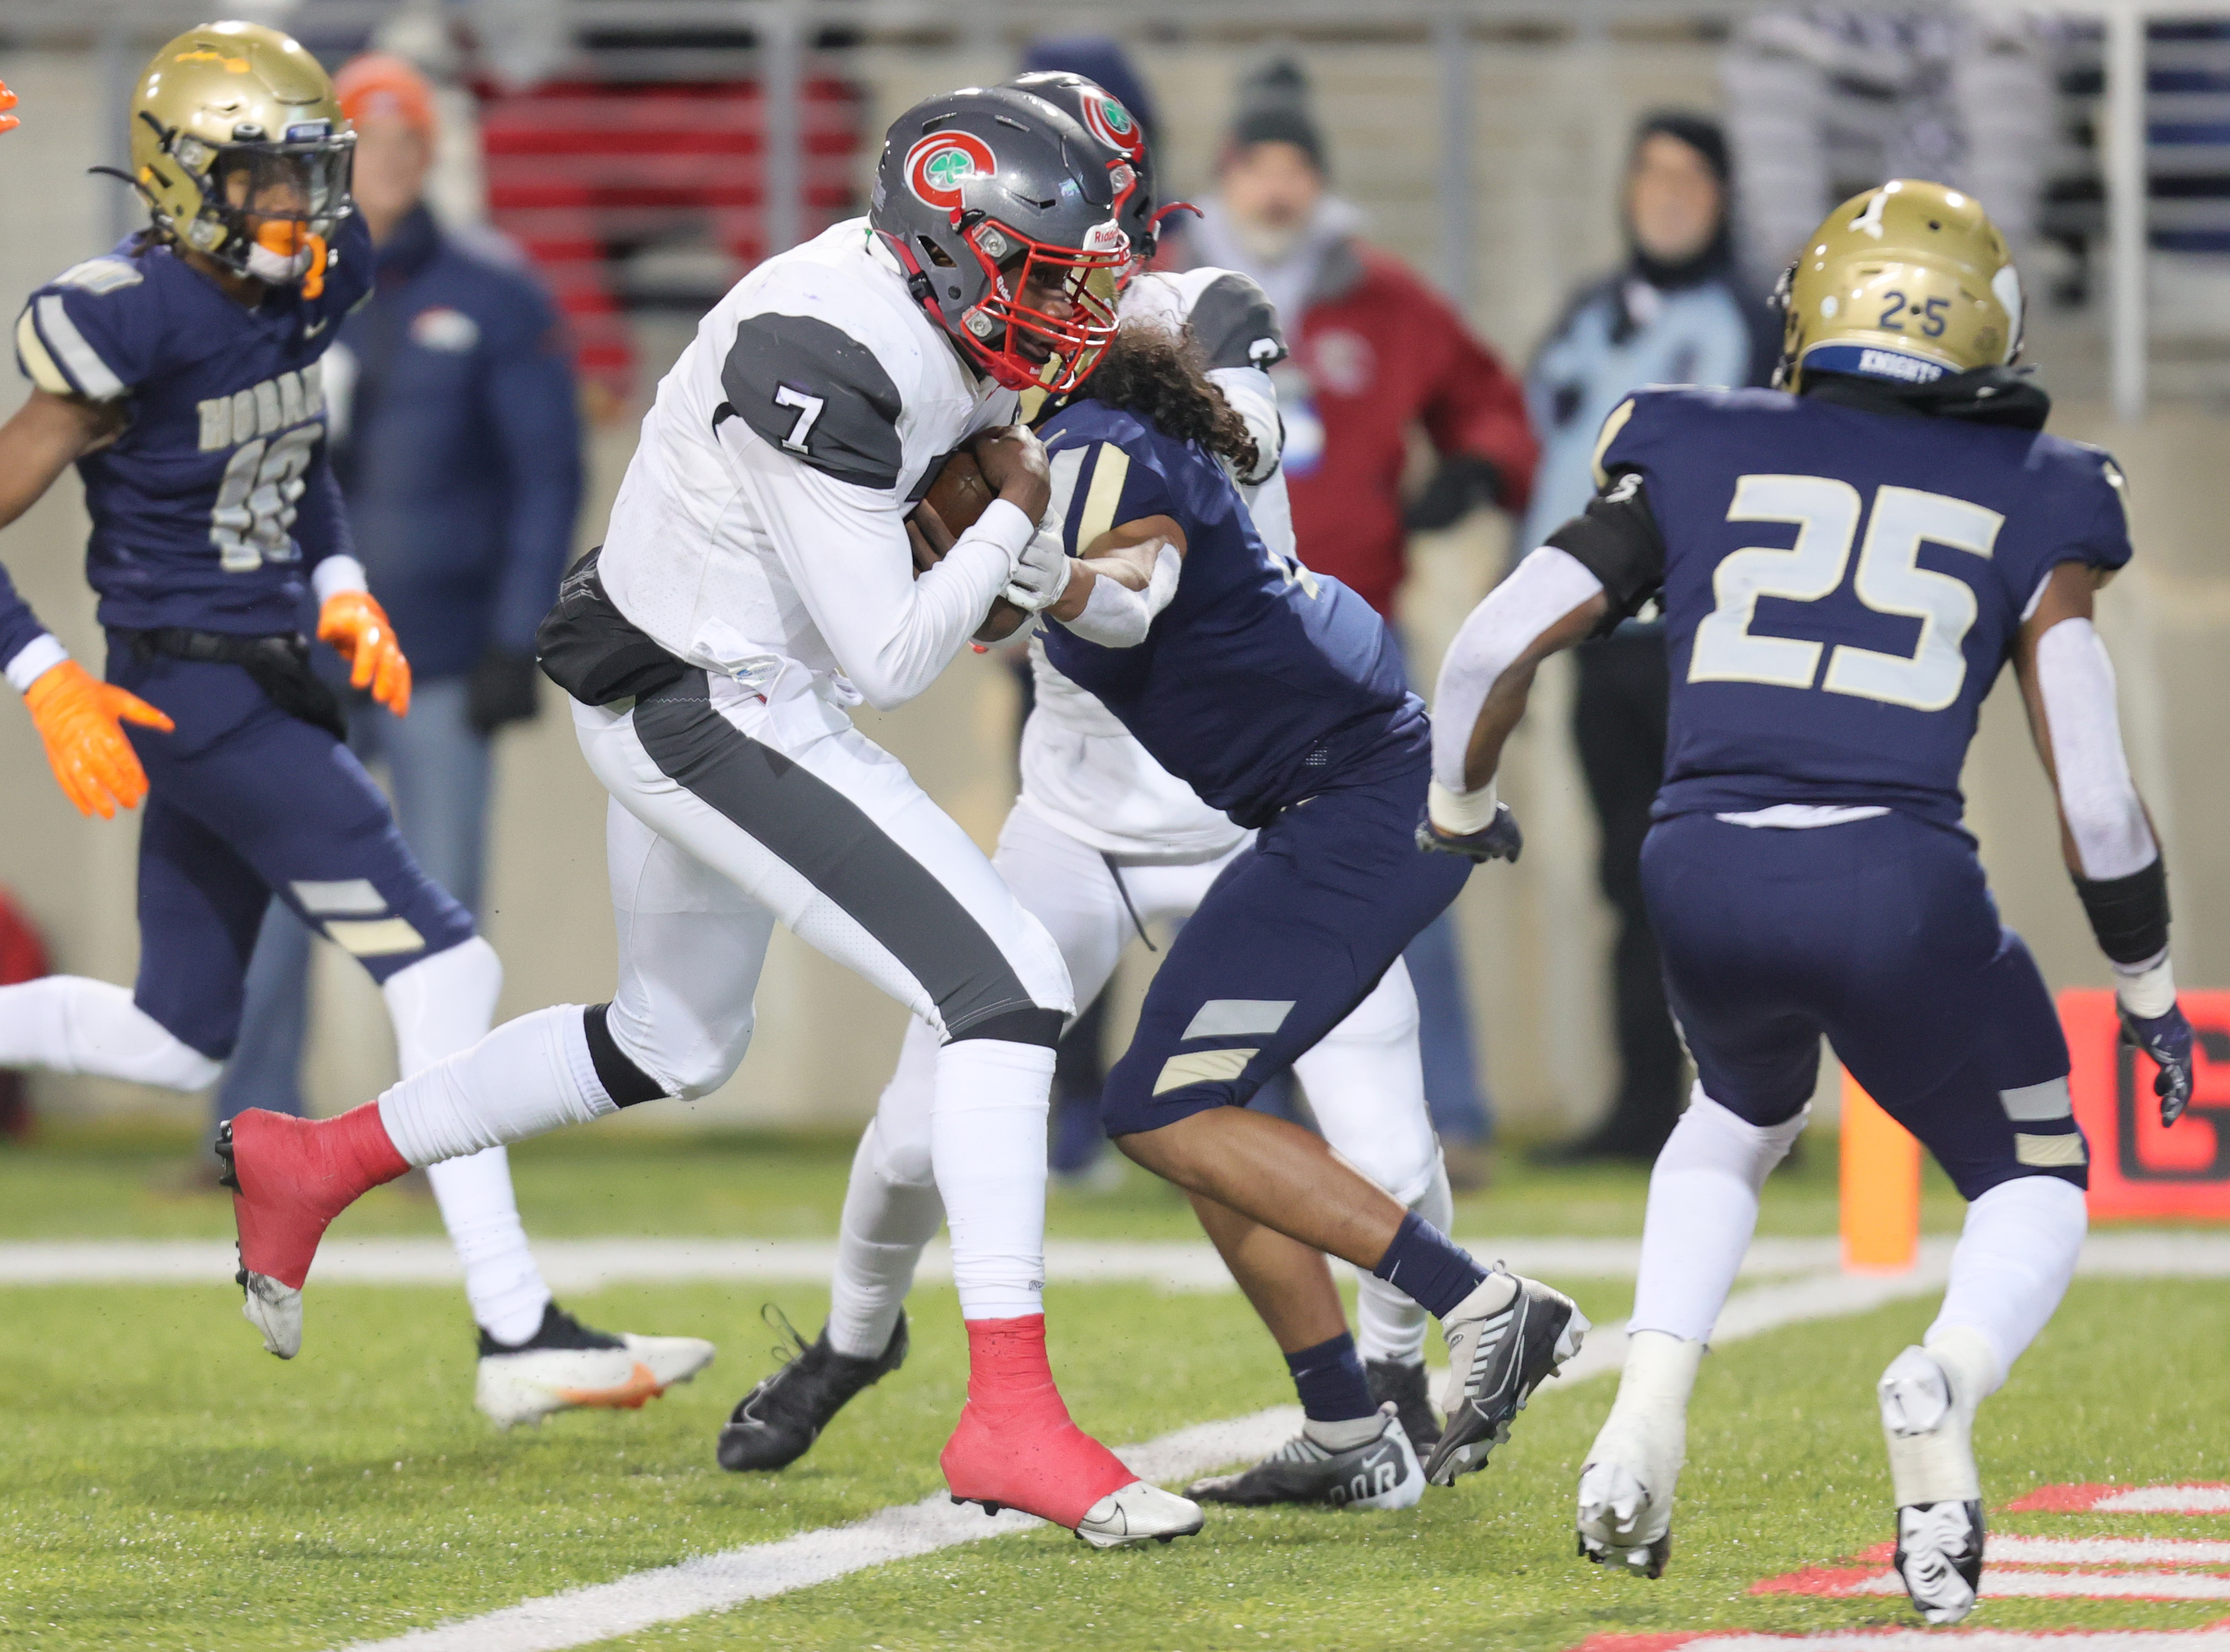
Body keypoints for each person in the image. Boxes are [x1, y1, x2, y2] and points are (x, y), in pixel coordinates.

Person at [218, 84, 1205, 1548]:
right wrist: (1013, 514)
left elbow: (935, 580)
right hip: (708, 698)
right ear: (952, 246)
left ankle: (312, 1160)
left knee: (671, 1039)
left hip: (712, 677)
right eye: (1043, 278)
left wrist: (1030, 535)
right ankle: (1009, 1412)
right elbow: (892, 658)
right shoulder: (819, 346)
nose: (1063, 316)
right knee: (1007, 988)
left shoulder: (943, 307)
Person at [1423, 180, 2194, 1623]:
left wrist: (1458, 807)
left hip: (1697, 863)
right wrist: (2146, 986)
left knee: (1736, 1107)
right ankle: (1940, 1377)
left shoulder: (1696, 438)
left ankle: (1645, 1408)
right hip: (1893, 876)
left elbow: (1485, 649)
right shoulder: (2041, 492)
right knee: (2034, 1176)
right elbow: (2092, 796)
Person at [716, 70, 1457, 1508]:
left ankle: (1402, 1383)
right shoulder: (976, 341)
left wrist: (1030, 485)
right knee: (917, 1119)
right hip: (1069, 806)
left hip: (1256, 801)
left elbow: (1203, 490)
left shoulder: (1194, 315)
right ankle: (856, 1340)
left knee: (1382, 1134)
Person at [0, 21, 708, 1428]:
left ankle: (504, 1321)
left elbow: (294, 451)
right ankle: (515, 1324)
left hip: (270, 669)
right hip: (187, 690)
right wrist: (41, 675)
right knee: (449, 963)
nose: (298, 207)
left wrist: (338, 585)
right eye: (265, 178)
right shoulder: (121, 317)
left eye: (307, 175)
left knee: (171, 1038)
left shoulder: (317, 282)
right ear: (184, 177)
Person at [966, 309, 1584, 1491]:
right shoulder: (1088, 439)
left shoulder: (1096, 438)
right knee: (1189, 1115)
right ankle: (1352, 1435)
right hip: (1332, 802)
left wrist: (1034, 567)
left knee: (1159, 1106)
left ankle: (1486, 1305)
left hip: (1353, 804)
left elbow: (1128, 598)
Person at [1168, 60, 1537, 1182]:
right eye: (1257, 167)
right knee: (1220, 880)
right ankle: (1235, 1106)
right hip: (1208, 638)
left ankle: (1449, 1112)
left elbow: (1486, 400)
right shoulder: (1159, 300)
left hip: (1353, 635)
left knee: (1407, 859)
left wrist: (1476, 468)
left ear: (1314, 181)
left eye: (1294, 169)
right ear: (1227, 177)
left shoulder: (1382, 300)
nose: (1277, 188)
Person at [208, 53, 583, 1136]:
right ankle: (248, 1129)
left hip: (441, 650)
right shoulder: (280, 285)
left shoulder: (492, 292)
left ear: (430, 153)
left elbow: (545, 475)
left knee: (441, 906)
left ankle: (439, 1134)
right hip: (301, 655)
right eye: (361, 143)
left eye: (403, 139)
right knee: (278, 894)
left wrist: (522, 633)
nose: (384, 162)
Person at [1522, 112, 1778, 1163]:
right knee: (1626, 879)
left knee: (1722, 878)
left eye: (1689, 176)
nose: (1667, 194)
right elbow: (1539, 443)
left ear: (1722, 195)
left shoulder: (1759, 318)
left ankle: (1754, 1102)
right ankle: (1641, 1107)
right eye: (1651, 175)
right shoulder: (1591, 312)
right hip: (1602, 638)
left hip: (1710, 639)